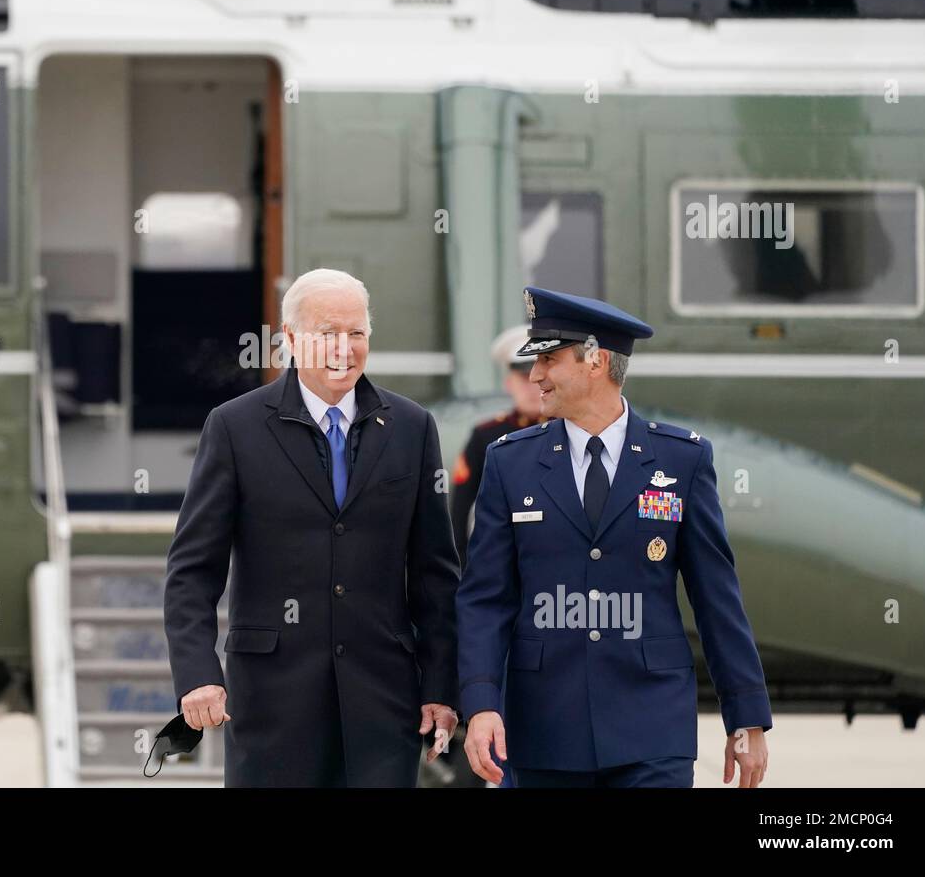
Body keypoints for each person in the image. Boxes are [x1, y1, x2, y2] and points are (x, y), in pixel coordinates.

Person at [458, 286, 772, 788]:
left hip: (652, 730)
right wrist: (480, 704)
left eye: (548, 359)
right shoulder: (509, 462)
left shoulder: (682, 461)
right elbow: (485, 599)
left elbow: (717, 598)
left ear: (595, 362)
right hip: (543, 732)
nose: (535, 375)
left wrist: (746, 715)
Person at [163, 268, 461, 786]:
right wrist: (197, 675)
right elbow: (192, 570)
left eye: (357, 334)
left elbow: (436, 572)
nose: (344, 348)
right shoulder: (235, 427)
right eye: (328, 334)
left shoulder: (413, 428)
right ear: (292, 340)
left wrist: (440, 684)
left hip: (383, 704)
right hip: (271, 706)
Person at [450, 324, 546, 567]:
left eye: (538, 376)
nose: (532, 386)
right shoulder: (486, 436)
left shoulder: (573, 430)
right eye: (523, 378)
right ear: (508, 383)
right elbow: (461, 511)